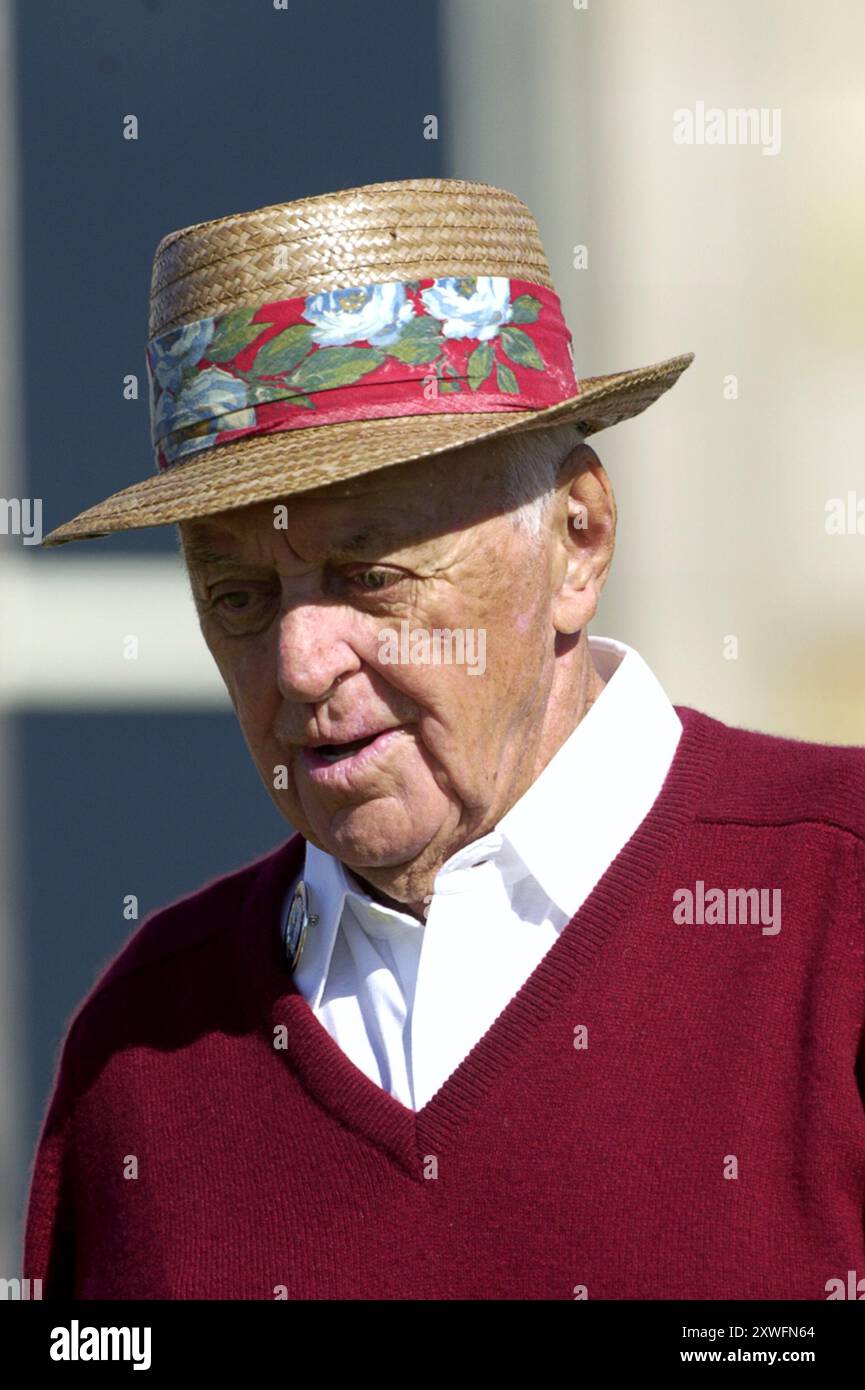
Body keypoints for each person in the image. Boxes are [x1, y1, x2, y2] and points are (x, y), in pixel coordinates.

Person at [25, 178, 865, 1300]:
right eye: (237, 596)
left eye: (368, 576)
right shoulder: (145, 1048)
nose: (299, 662)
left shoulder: (837, 907)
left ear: (578, 538)